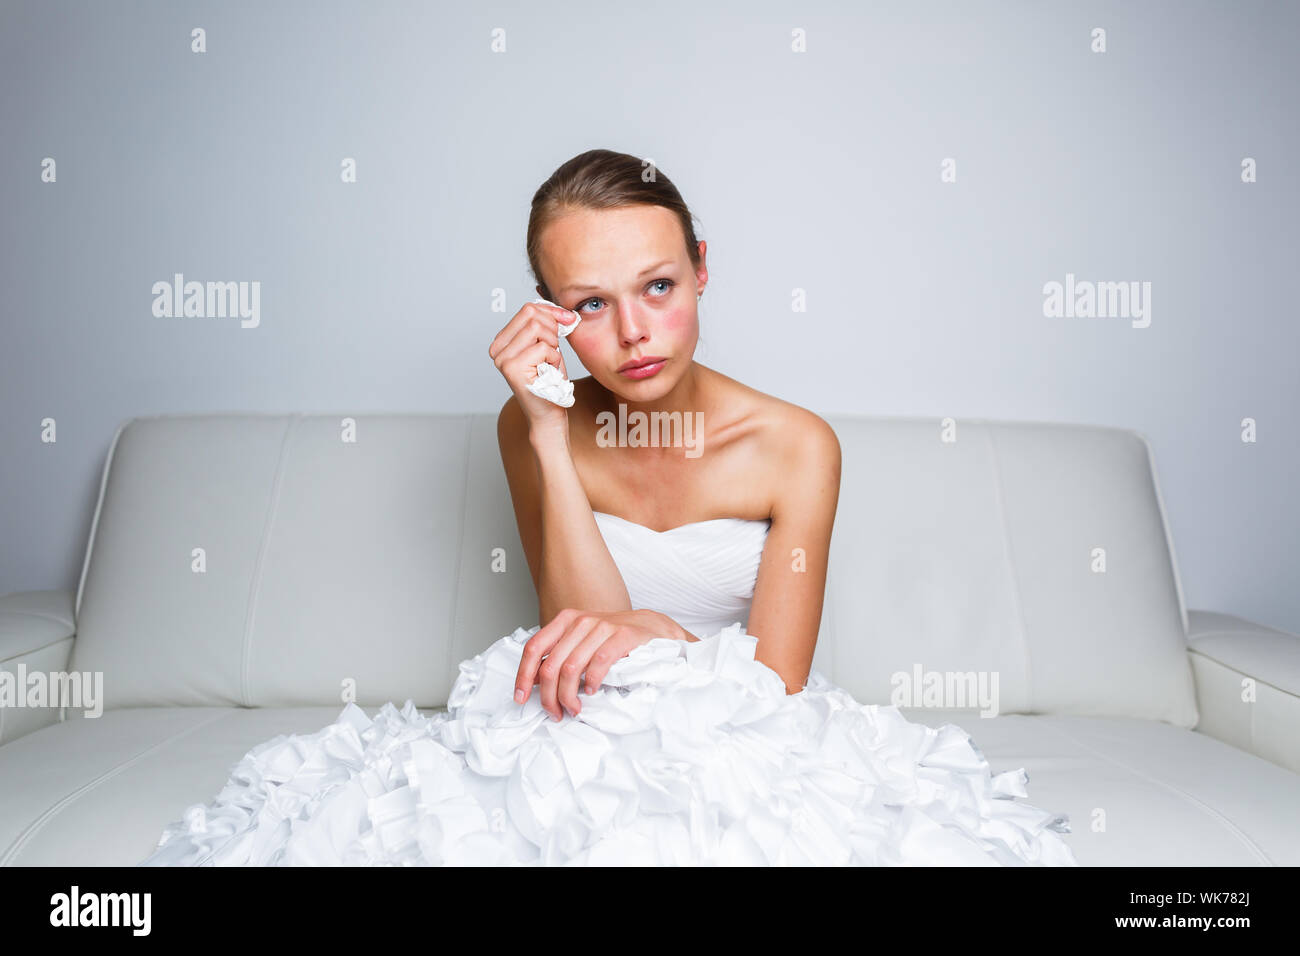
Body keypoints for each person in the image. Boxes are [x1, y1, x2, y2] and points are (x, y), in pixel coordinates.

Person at [140, 149, 1078, 866]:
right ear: (548, 312)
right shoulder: (531, 427)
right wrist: (548, 433)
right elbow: (575, 640)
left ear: (702, 268)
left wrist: (659, 629)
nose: (633, 333)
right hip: (577, 717)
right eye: (590, 304)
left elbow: (777, 686)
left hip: (743, 732)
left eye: (659, 287)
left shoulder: (797, 446)